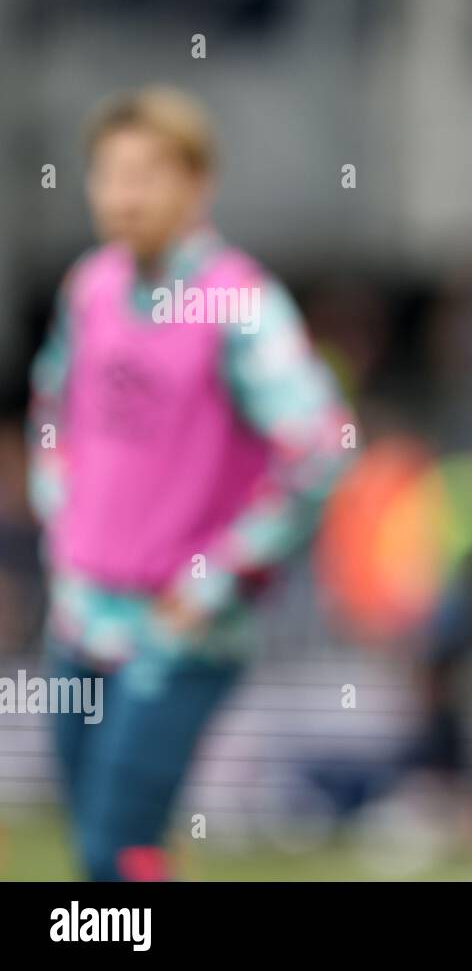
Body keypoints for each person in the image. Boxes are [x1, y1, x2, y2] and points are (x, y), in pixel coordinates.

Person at [26, 86, 354, 880]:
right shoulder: (89, 287)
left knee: (115, 850)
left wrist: (213, 582)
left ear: (196, 182)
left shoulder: (240, 302)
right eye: (108, 175)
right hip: (80, 613)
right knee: (96, 848)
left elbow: (321, 444)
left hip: (176, 633)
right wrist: (63, 528)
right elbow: (51, 412)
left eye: (147, 174)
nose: (124, 195)